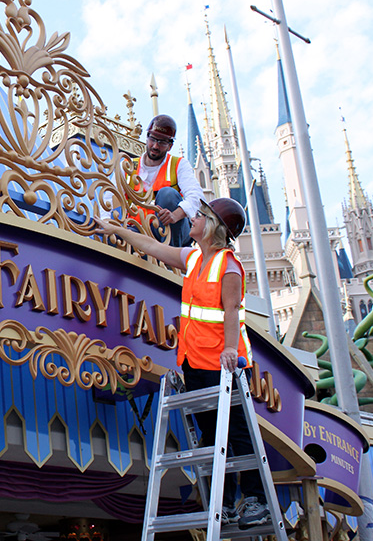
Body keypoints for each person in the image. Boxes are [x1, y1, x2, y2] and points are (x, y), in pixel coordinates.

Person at [96, 197, 270, 529]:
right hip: (194, 361)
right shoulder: (193, 258)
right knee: (209, 432)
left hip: (223, 363)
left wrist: (231, 350)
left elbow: (231, 311)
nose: (193, 218)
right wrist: (116, 230)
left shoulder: (227, 265)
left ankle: (254, 499)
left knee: (237, 432)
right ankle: (226, 502)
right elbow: (150, 245)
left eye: (201, 216)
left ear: (214, 227)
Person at [125, 114, 203, 247]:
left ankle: (170, 259)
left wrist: (176, 215)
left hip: (173, 232)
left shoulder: (178, 165)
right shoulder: (128, 166)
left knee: (168, 194)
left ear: (170, 146)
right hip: (138, 230)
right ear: (147, 137)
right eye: (153, 139)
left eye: (161, 142)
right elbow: (108, 198)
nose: (155, 146)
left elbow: (197, 197)